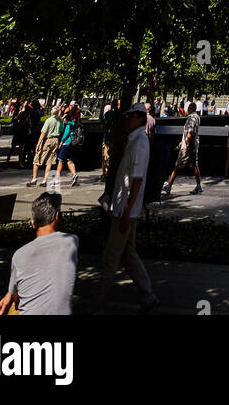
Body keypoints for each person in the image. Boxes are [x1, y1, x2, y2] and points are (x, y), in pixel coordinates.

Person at [90, 104, 158, 313]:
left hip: (125, 210)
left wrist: (127, 210)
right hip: (124, 207)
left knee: (111, 256)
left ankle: (99, 303)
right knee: (128, 253)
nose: (126, 121)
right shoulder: (135, 140)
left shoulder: (139, 142)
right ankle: (148, 296)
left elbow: (136, 179)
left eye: (129, 117)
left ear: (139, 118)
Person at [0, 192, 78, 316]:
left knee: (13, 305)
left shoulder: (19, 255)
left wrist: (10, 295)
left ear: (32, 223)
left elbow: (16, 296)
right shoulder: (72, 241)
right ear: (57, 216)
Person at [163, 102, 202, 196]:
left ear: (190, 109)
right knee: (194, 165)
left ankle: (169, 186)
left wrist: (187, 144)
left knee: (177, 166)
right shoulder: (197, 117)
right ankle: (198, 185)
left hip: (188, 146)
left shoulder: (191, 118)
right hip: (194, 145)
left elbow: (190, 133)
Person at [27, 106, 64, 189]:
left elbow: (43, 133)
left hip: (47, 140)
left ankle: (34, 179)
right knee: (49, 161)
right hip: (56, 140)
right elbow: (61, 130)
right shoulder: (60, 120)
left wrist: (38, 144)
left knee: (37, 160)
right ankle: (45, 180)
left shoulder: (49, 120)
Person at [53, 103, 81, 190]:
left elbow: (66, 133)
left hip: (67, 143)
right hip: (74, 144)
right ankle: (74, 175)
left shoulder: (69, 123)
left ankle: (56, 180)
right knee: (70, 161)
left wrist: (61, 142)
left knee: (60, 161)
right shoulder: (77, 122)